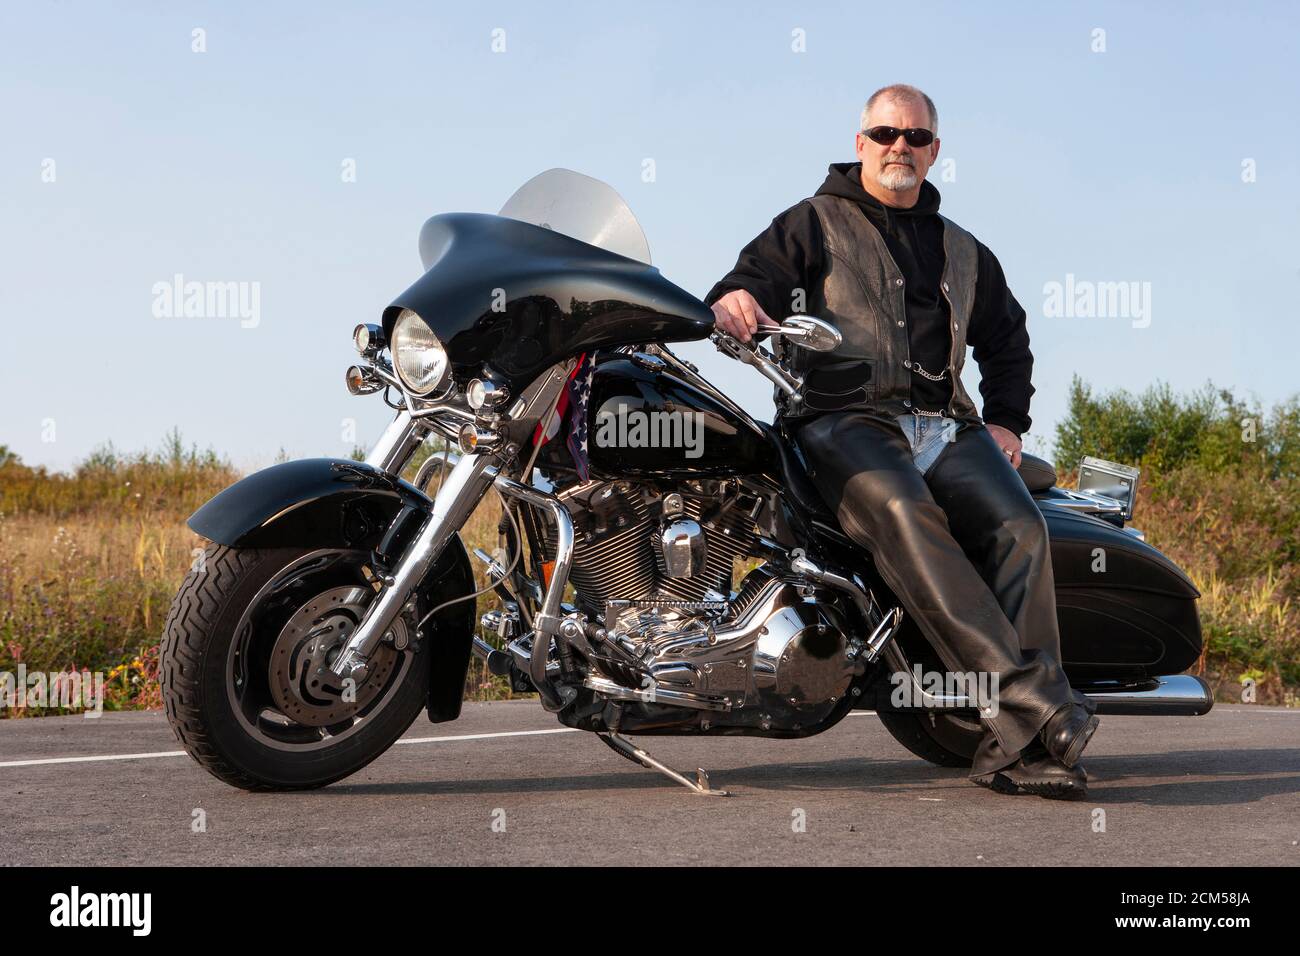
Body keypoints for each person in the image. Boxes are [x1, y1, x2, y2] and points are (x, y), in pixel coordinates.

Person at [707, 83, 1099, 799]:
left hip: (947, 424)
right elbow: (747, 284)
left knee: (1020, 526)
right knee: (902, 511)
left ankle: (1029, 745)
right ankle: (1041, 709)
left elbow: (1008, 343)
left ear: (934, 151)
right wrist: (737, 301)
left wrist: (1008, 421)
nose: (900, 149)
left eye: (915, 138)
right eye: (886, 134)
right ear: (861, 143)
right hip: (839, 418)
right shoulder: (810, 224)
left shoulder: (963, 250)